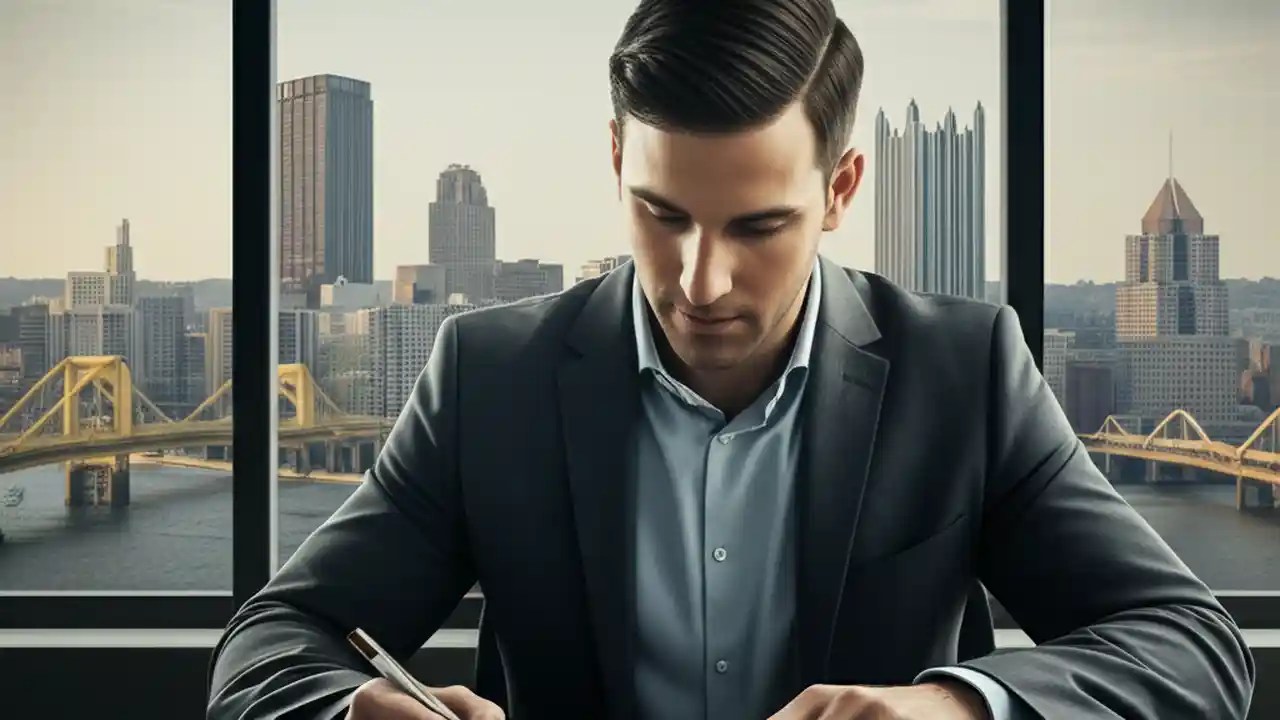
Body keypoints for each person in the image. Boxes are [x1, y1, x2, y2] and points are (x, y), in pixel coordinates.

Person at [207, 1, 1256, 718]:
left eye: (756, 226)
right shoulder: (491, 379)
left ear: (841, 189)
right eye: (661, 214)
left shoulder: (963, 371)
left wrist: (951, 704)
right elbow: (269, 645)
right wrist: (347, 710)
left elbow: (1190, 647)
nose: (700, 282)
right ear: (616, 159)